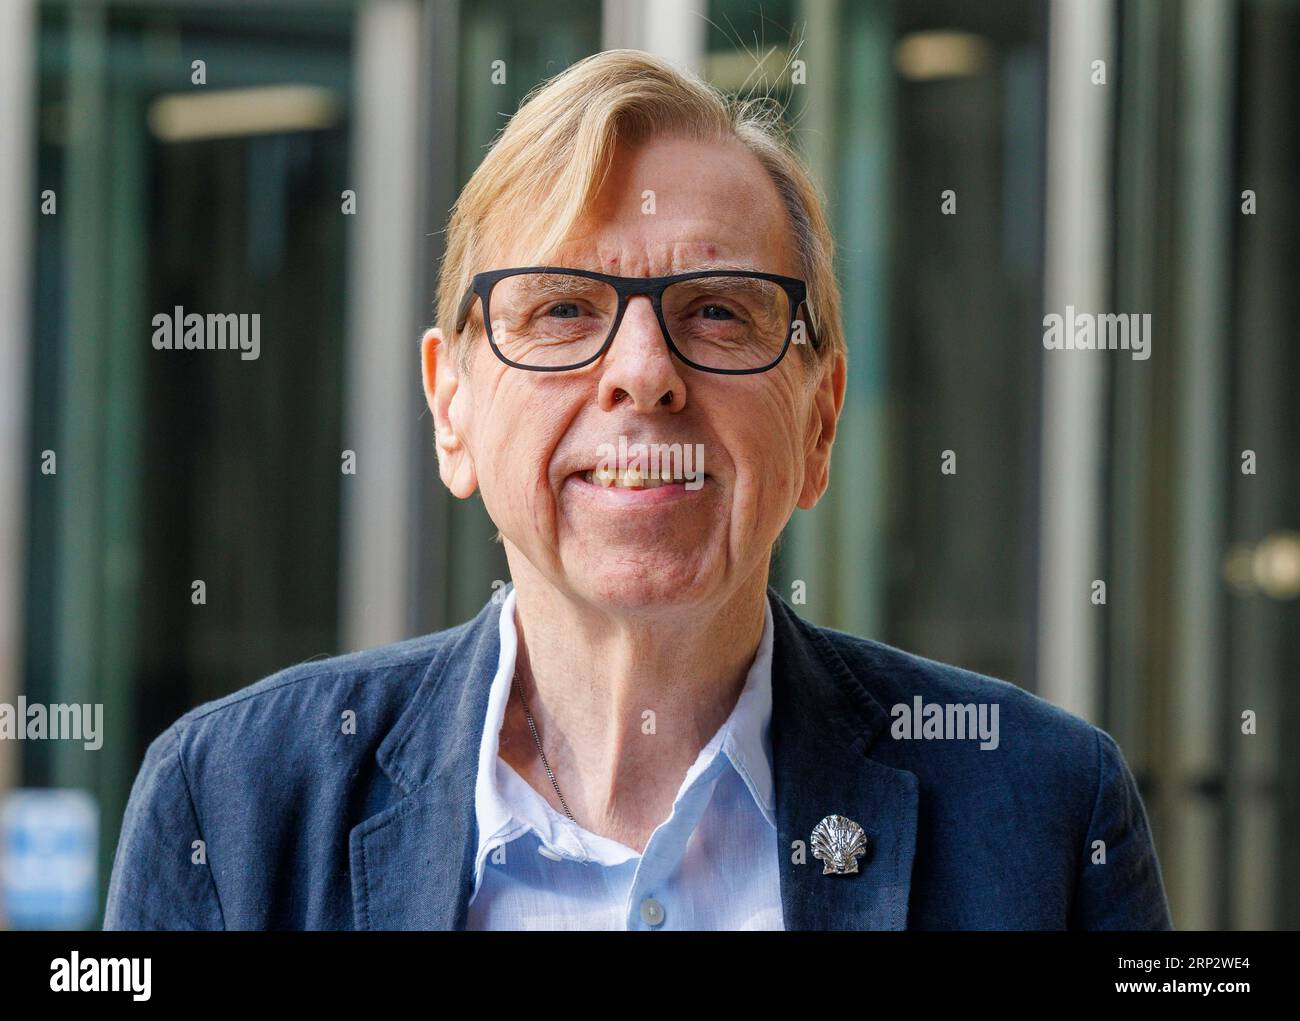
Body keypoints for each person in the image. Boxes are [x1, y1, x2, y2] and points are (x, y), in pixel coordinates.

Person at [104, 49, 1171, 930]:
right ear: (451, 409)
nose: (644, 371)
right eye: (563, 308)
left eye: (718, 310)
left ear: (818, 421)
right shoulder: (234, 808)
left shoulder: (1040, 814)